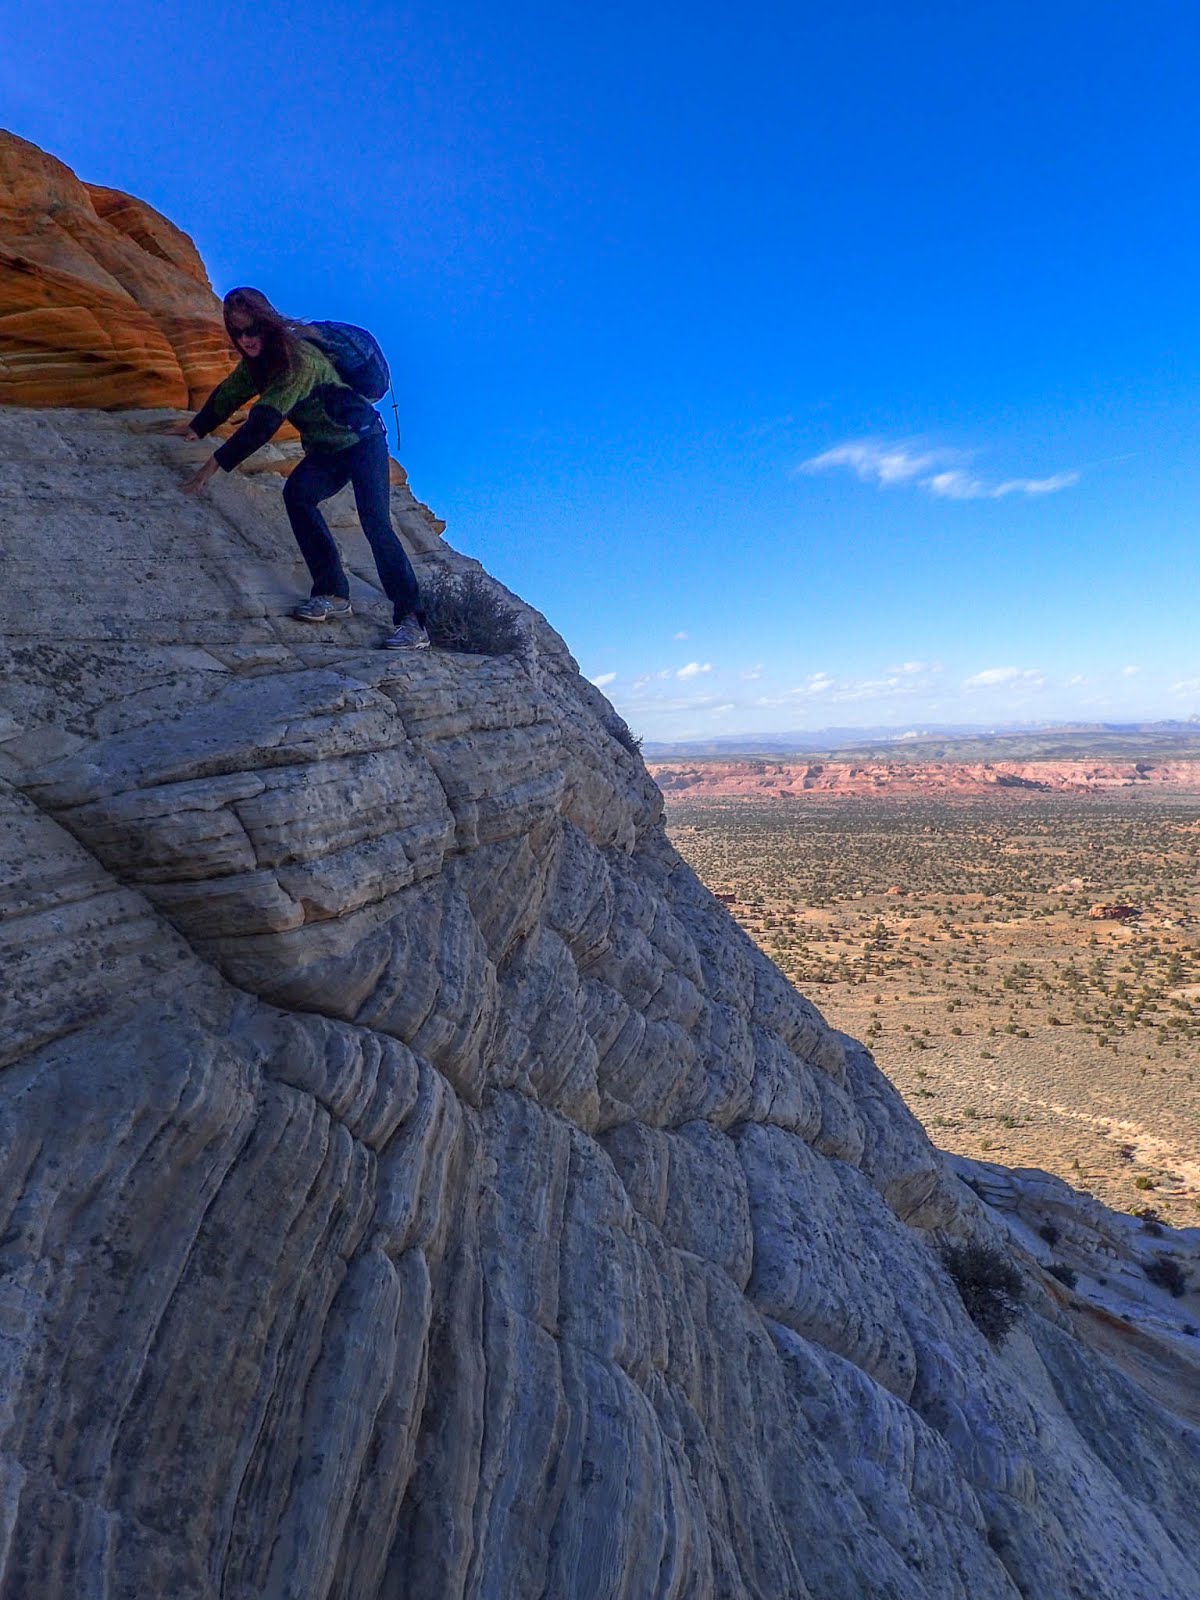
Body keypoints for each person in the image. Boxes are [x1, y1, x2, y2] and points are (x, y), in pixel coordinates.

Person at [167, 287, 429, 649]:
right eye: (237, 332)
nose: (246, 340)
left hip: (362, 439)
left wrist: (213, 465)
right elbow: (228, 394)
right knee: (298, 495)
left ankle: (413, 620)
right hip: (326, 449)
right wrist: (196, 428)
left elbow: (264, 422)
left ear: (267, 324)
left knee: (375, 521)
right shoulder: (255, 367)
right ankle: (334, 594)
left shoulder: (297, 359)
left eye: (252, 330)